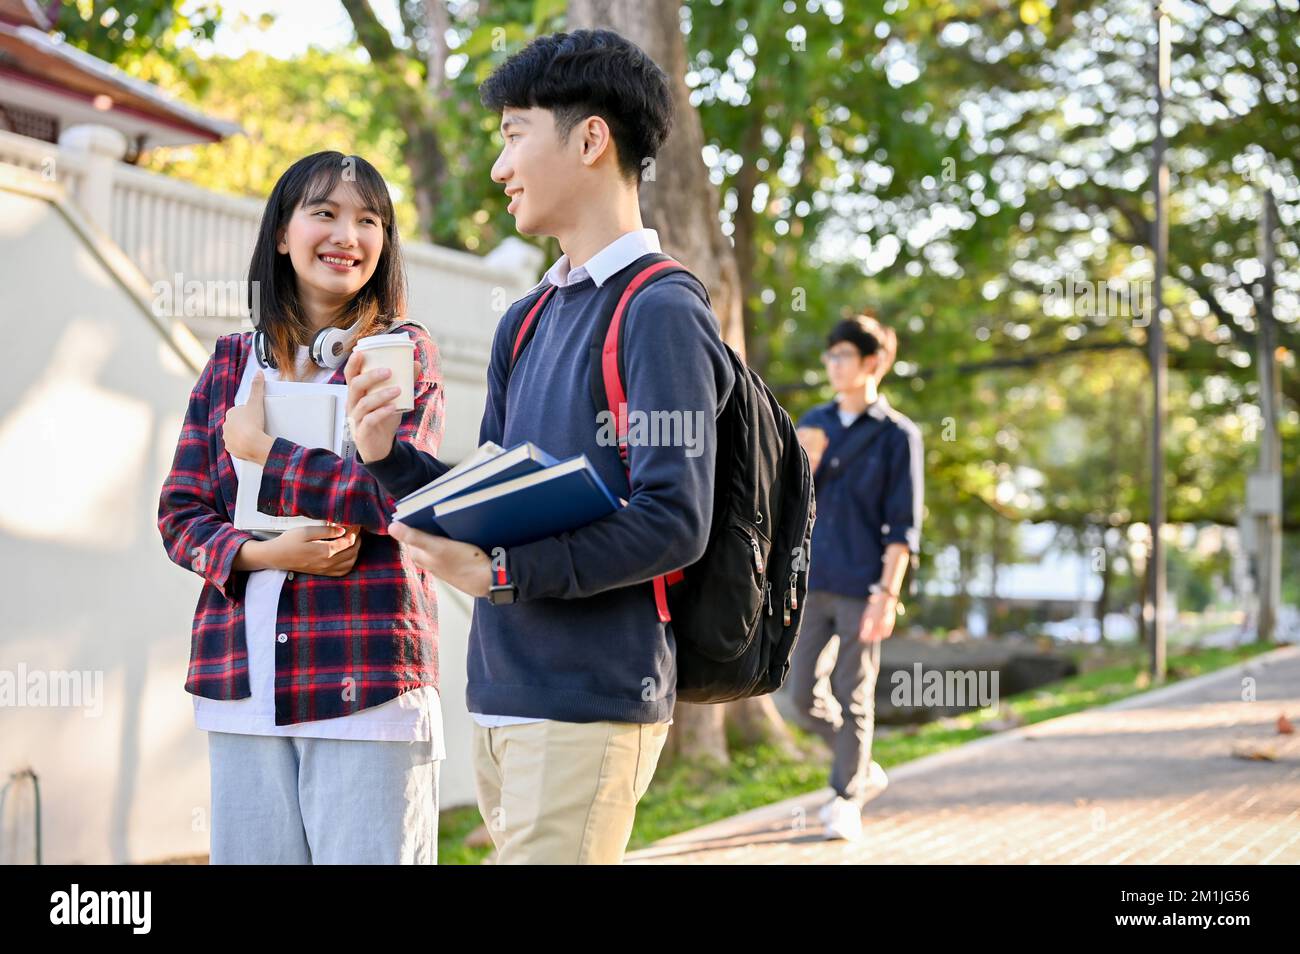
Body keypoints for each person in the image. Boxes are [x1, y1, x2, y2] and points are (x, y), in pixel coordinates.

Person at [348, 29, 735, 864]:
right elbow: (494, 496)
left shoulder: (661, 310)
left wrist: (504, 575)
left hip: (592, 696)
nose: (500, 167)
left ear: (590, 138)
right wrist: (387, 456)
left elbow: (674, 521)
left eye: (515, 133)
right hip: (500, 690)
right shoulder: (525, 317)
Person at [158, 151, 446, 864]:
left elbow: (396, 494)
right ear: (282, 234)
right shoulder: (230, 363)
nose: (347, 233)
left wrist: (263, 454)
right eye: (324, 212)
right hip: (242, 686)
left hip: (368, 688)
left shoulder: (400, 353)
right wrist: (263, 554)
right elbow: (179, 514)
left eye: (368, 219)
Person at [790, 312, 923, 842]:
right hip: (810, 580)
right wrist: (807, 467)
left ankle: (846, 797)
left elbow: (903, 527)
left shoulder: (897, 436)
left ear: (873, 362)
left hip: (864, 585)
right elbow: (787, 504)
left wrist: (886, 594)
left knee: (854, 693)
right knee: (799, 694)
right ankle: (860, 764)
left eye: (843, 354)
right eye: (830, 354)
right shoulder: (813, 422)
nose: (833, 364)